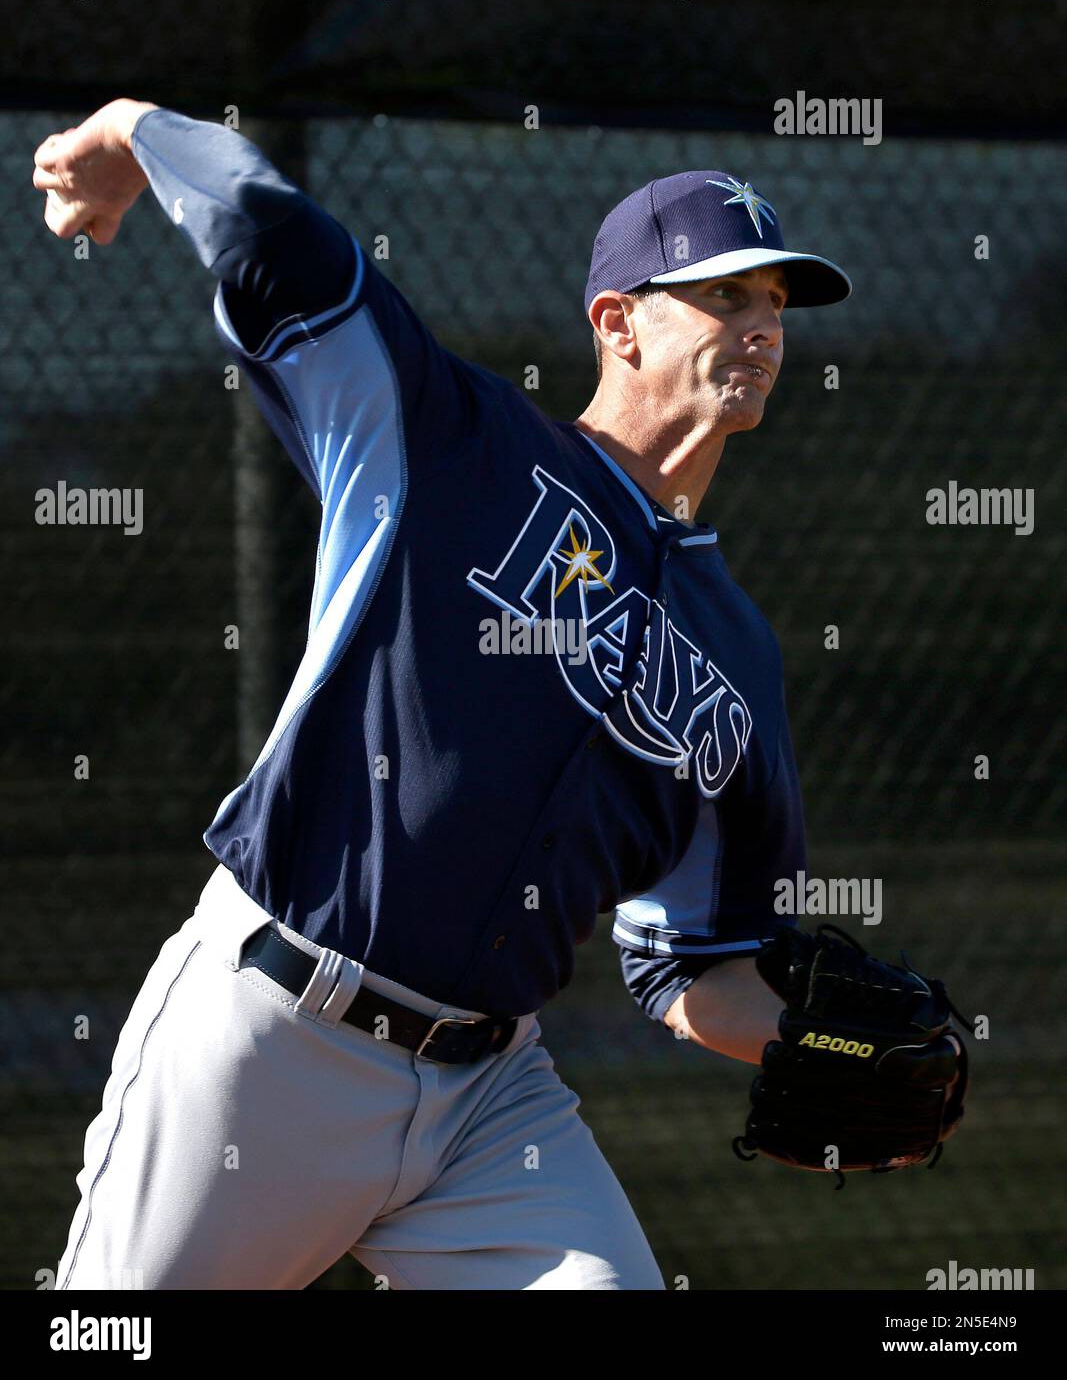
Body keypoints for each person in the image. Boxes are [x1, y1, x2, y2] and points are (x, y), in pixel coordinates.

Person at [33, 99, 851, 1290]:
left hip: (489, 1100)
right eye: (724, 294)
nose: (761, 325)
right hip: (276, 1035)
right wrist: (131, 133)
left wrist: (833, 1042)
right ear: (616, 323)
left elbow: (694, 965)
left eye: (775, 304)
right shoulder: (450, 439)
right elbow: (277, 232)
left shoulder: (732, 650)